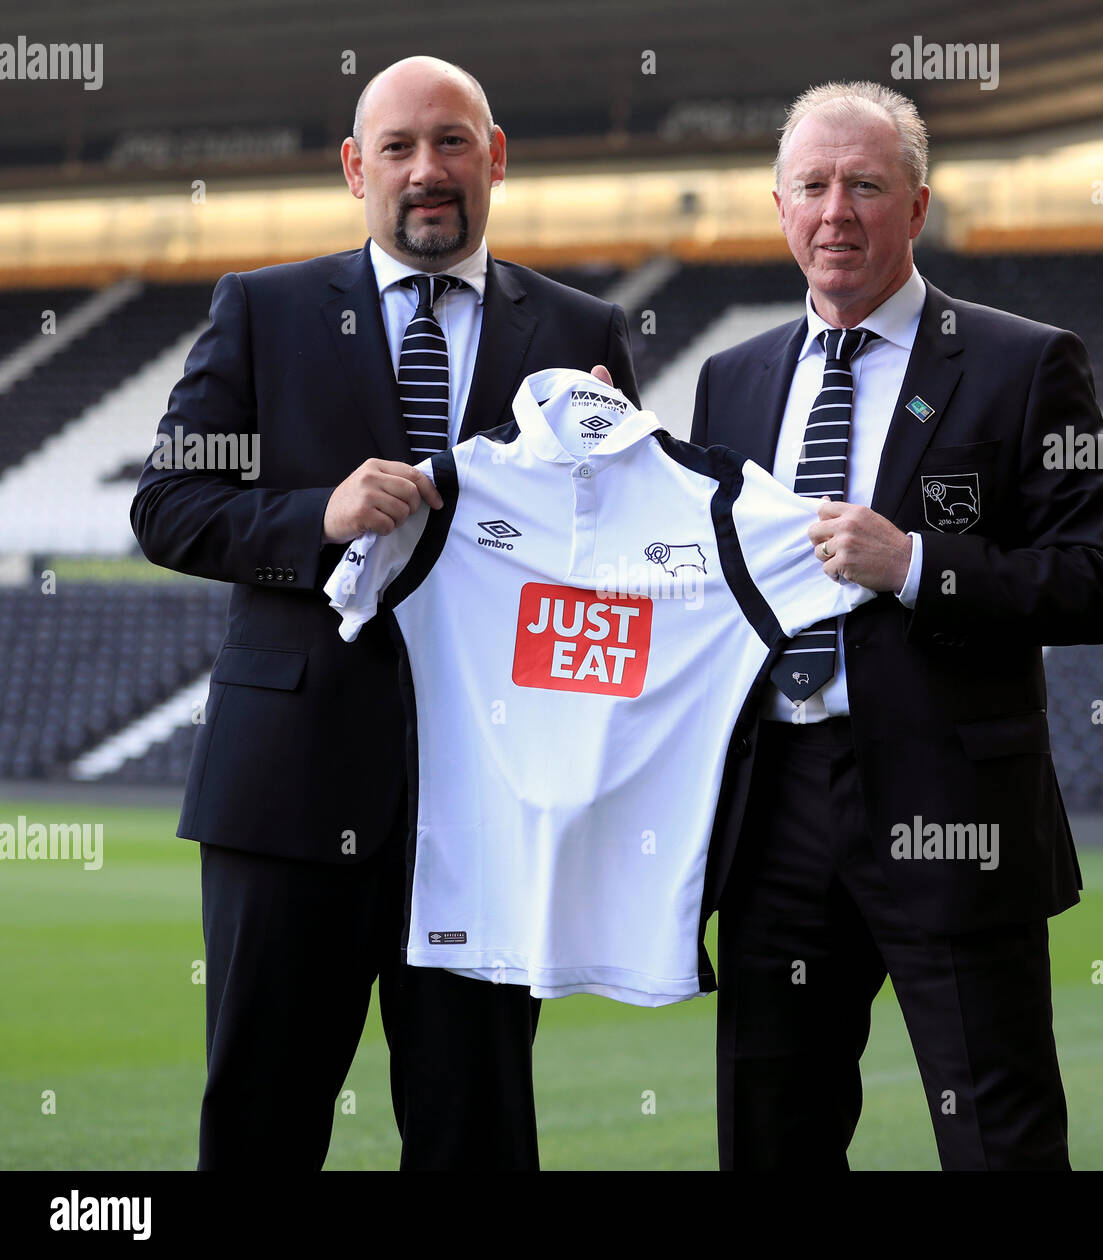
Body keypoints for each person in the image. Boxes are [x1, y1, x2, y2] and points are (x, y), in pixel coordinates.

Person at [130, 55, 638, 1171]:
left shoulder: (581, 330)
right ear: (356, 169)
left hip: (491, 815)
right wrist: (321, 515)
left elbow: (622, 562)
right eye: (399, 149)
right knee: (262, 1119)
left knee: (477, 1134)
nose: (427, 172)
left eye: (452, 142)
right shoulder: (261, 310)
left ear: (494, 158)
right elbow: (167, 508)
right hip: (288, 794)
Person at [690, 81, 1103, 1170]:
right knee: (770, 1136)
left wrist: (917, 566)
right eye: (811, 186)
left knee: (997, 1138)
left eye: (864, 184)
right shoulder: (729, 381)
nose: (834, 210)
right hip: (772, 817)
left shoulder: (1024, 362)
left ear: (917, 206)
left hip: (950, 812)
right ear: (779, 206)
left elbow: (1097, 584)